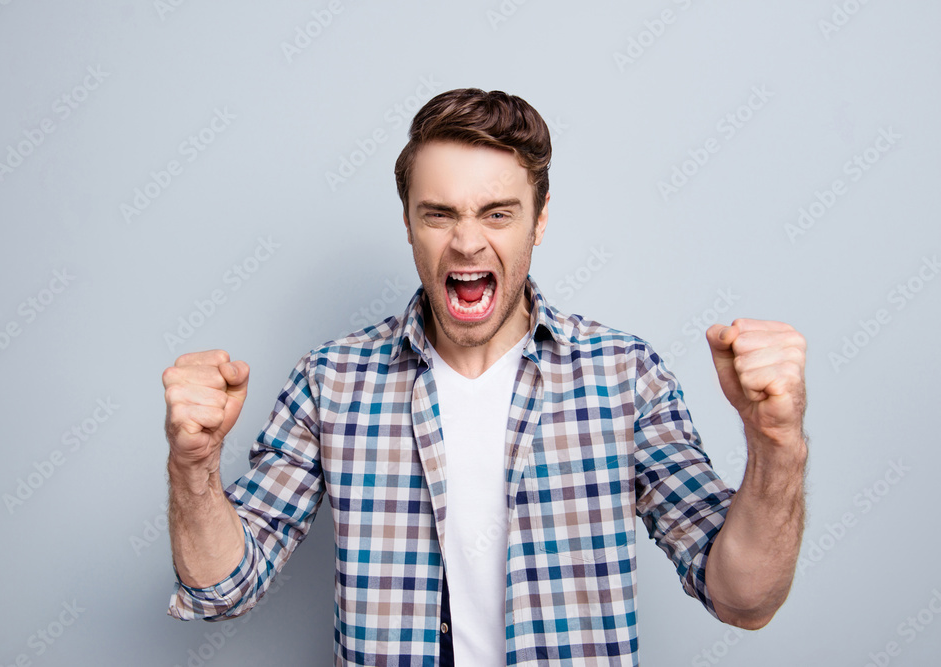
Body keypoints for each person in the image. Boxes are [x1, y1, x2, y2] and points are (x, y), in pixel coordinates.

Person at [163, 88, 808, 666]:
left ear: (541, 217)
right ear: (409, 222)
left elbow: (743, 599)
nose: (467, 243)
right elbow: (224, 587)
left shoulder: (624, 377)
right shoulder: (332, 382)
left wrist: (775, 444)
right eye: (439, 213)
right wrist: (193, 465)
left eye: (498, 213)